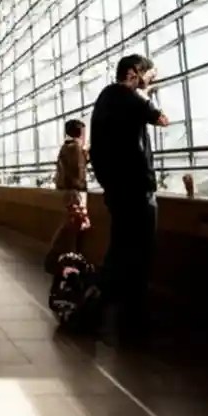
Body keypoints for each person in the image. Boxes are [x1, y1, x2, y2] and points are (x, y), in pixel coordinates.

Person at [88, 54, 170, 340]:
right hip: (136, 189)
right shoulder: (128, 97)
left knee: (120, 249)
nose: (151, 80)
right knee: (139, 252)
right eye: (149, 75)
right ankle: (132, 317)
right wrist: (145, 93)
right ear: (134, 73)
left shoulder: (105, 98)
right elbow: (162, 120)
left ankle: (101, 307)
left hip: (116, 188)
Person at [55, 119, 89, 209]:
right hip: (75, 196)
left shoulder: (65, 148)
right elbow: (78, 171)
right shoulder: (75, 149)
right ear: (81, 134)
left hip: (64, 193)